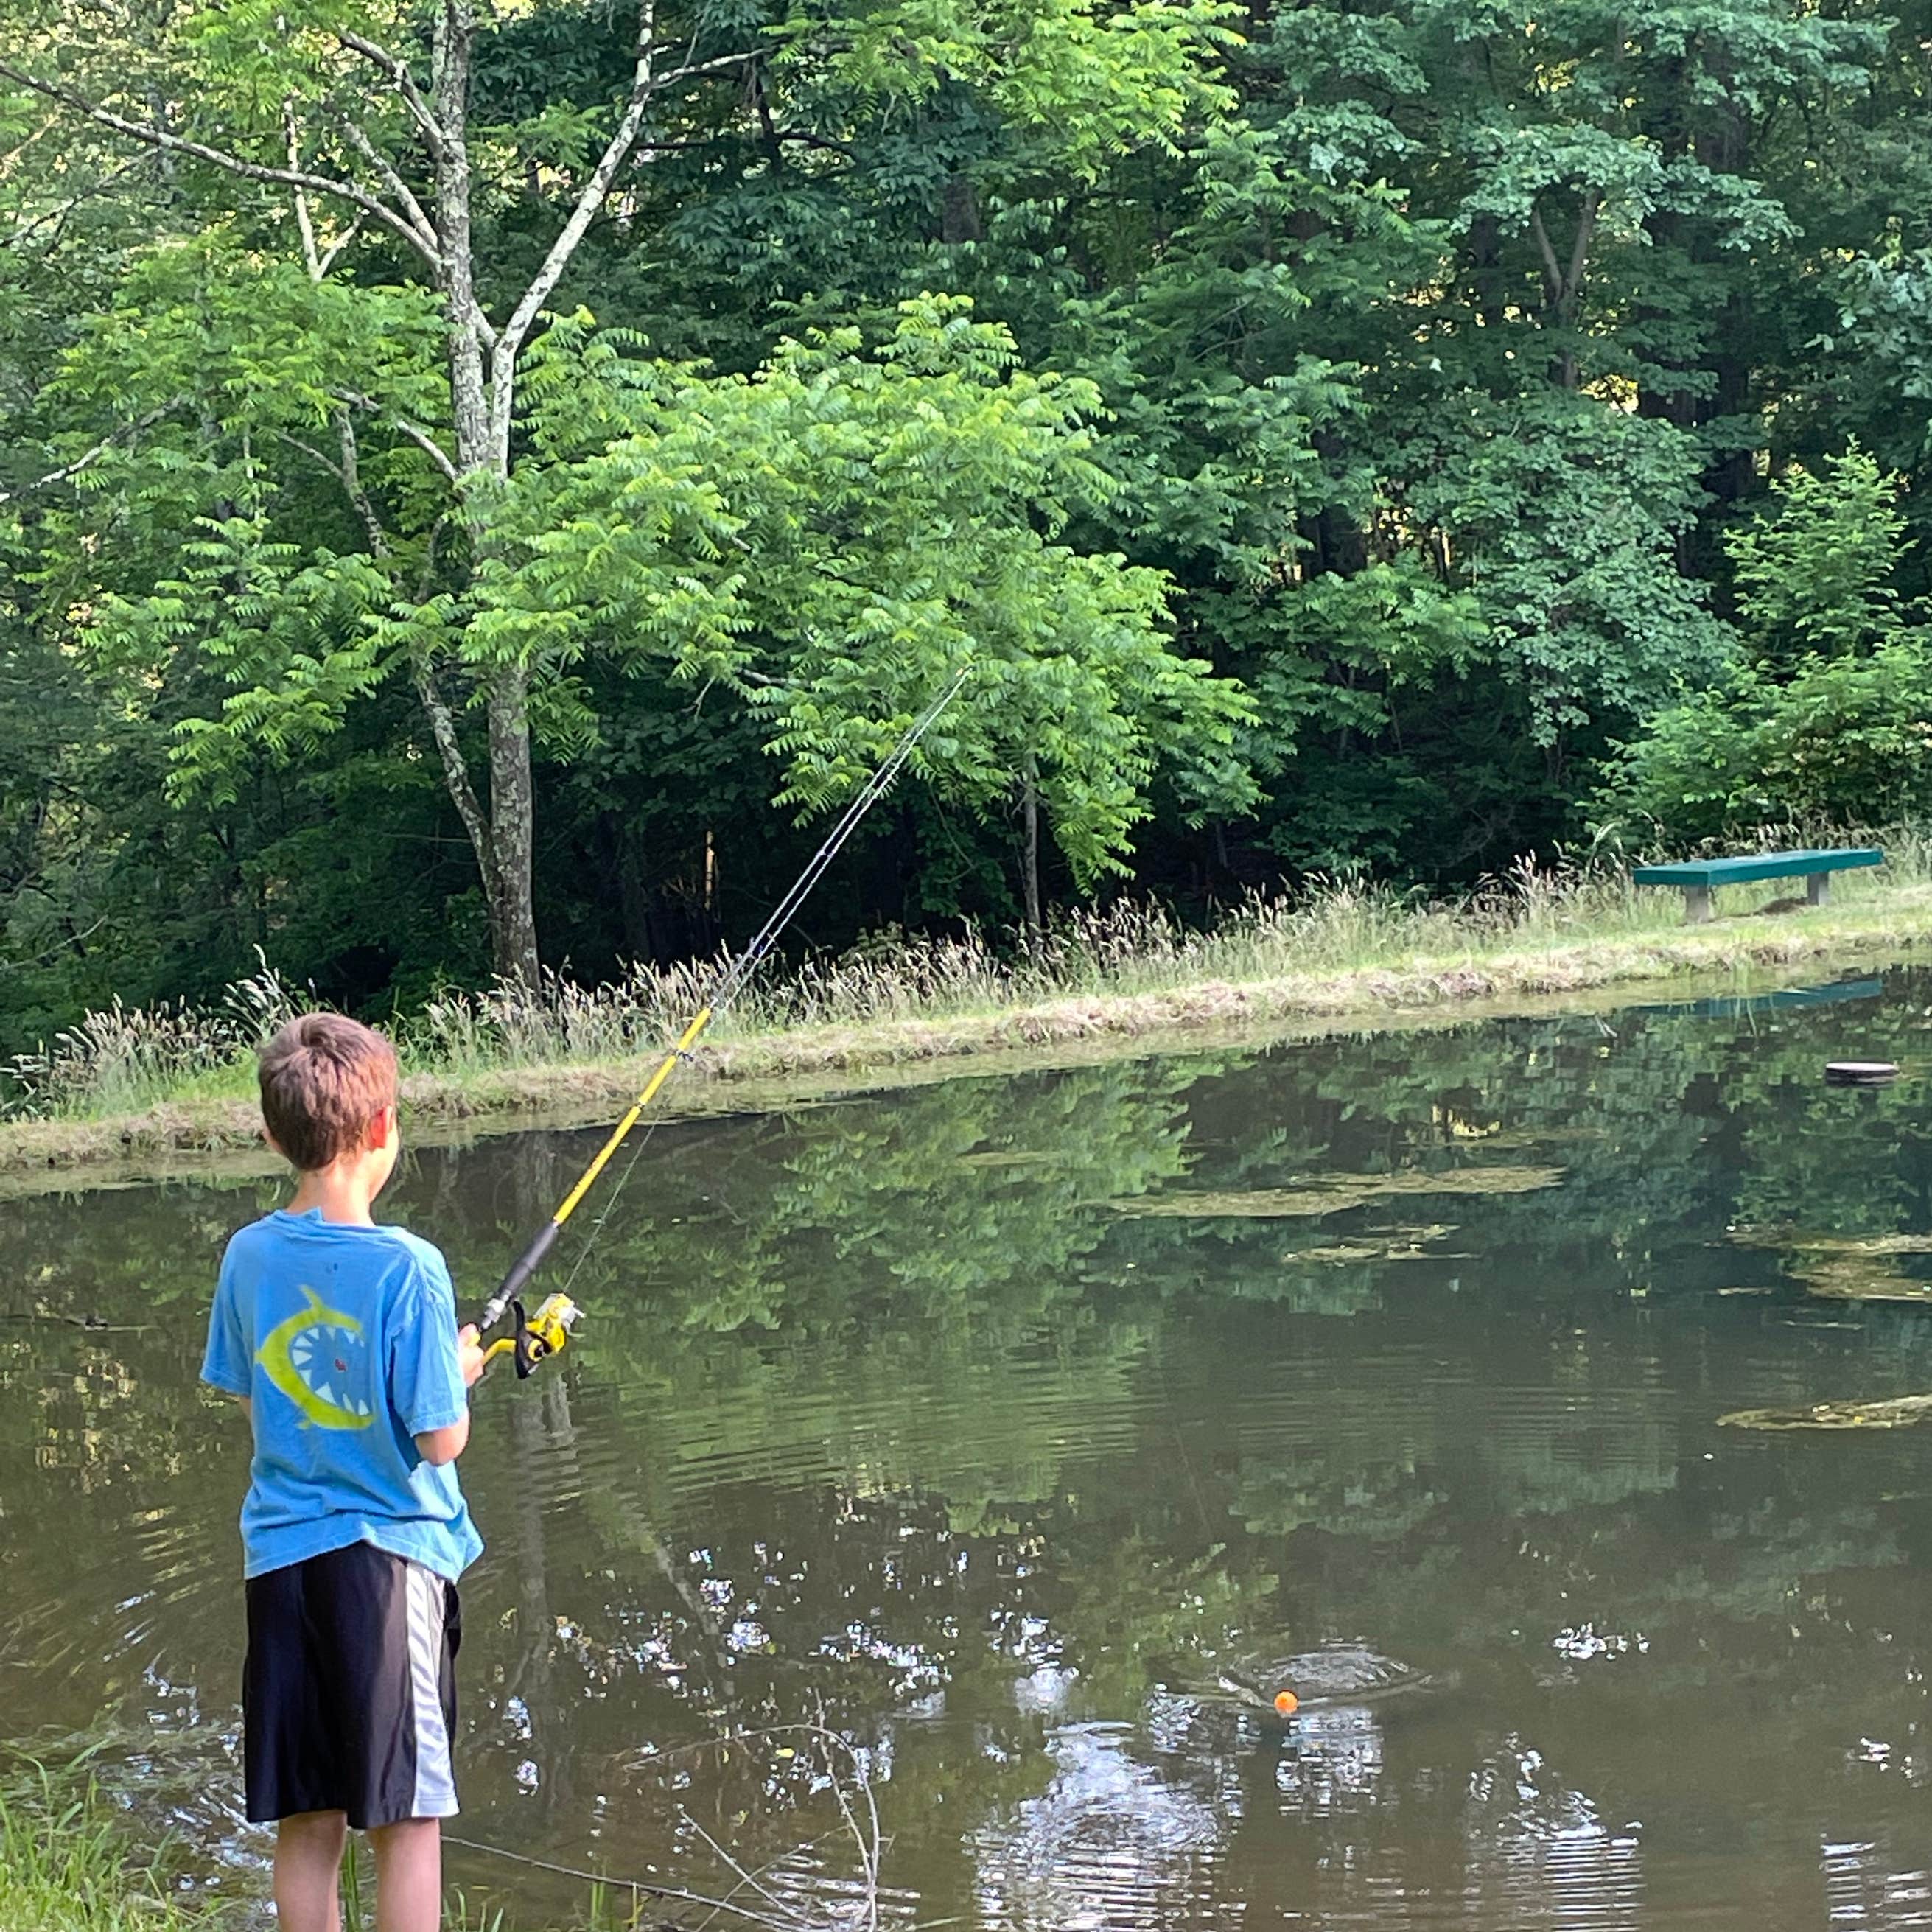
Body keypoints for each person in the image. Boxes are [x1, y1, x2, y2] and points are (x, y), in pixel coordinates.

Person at [201, 1012, 487, 1932]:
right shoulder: (411, 1266)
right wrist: (459, 1369)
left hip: (280, 1566)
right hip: (389, 1566)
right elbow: (440, 1439)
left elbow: (261, 1402)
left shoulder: (246, 1256)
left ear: (271, 1135)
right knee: (406, 1817)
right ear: (381, 1130)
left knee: (309, 1815)